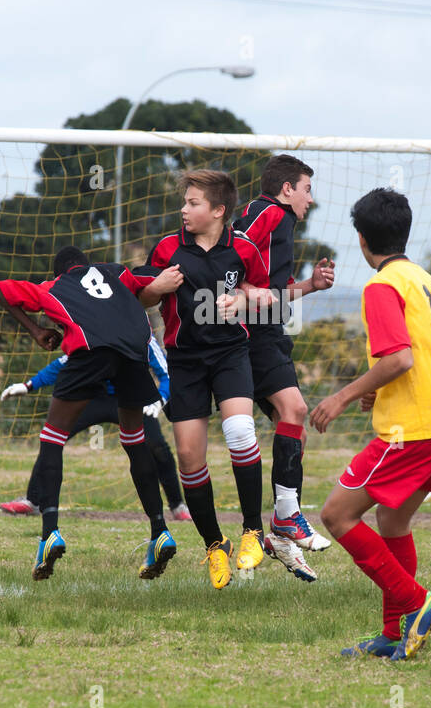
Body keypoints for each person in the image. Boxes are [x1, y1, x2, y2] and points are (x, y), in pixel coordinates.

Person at [309, 188, 431, 661]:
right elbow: (422, 356)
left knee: (337, 515)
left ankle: (418, 602)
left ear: (361, 240)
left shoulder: (381, 286)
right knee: (393, 518)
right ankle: (393, 634)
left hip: (417, 429)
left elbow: (400, 357)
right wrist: (376, 389)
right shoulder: (425, 280)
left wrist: (341, 396)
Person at [134, 168, 316, 589]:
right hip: (185, 361)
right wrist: (155, 287)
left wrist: (247, 296)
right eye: (185, 202)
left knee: (240, 430)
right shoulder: (166, 248)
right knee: (189, 458)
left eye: (193, 203)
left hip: (231, 354)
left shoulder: (243, 247)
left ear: (218, 211)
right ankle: (215, 545)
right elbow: (143, 295)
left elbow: (269, 293)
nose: (184, 209)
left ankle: (253, 530)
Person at [0, 246, 178, 581]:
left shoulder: (55, 287)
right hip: (133, 354)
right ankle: (159, 531)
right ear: (88, 265)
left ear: (60, 272)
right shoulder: (117, 272)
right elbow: (151, 278)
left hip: (90, 353)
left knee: (52, 437)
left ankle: (49, 533)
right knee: (135, 442)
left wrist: (36, 330)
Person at [233, 153, 335, 551]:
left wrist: (310, 286)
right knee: (294, 412)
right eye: (307, 189)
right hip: (253, 330)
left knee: (293, 427)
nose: (310, 198)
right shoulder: (268, 211)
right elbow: (234, 247)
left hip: (267, 328)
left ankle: (283, 520)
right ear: (287, 188)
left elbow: (275, 291)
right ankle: (285, 518)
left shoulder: (283, 223)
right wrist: (238, 289)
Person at [0, 332, 189, 522]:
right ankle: (33, 501)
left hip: (130, 398)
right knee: (52, 438)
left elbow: (167, 373)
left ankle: (177, 505)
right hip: (92, 397)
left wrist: (160, 398)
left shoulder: (141, 333)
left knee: (157, 445)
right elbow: (64, 363)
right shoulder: (90, 330)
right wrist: (29, 385)